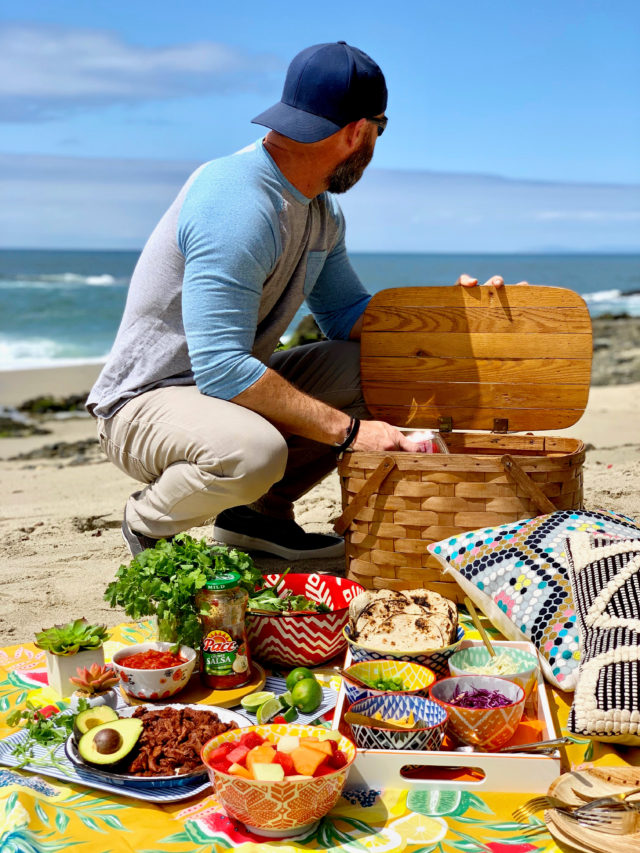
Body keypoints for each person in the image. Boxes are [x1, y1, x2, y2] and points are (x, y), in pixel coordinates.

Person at [87, 40, 517, 561]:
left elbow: (344, 316)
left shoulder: (319, 212)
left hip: (218, 397)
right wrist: (353, 433)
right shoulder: (239, 203)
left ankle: (258, 517)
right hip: (142, 405)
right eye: (381, 131)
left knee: (369, 369)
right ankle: (148, 522)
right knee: (252, 453)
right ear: (359, 130)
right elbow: (222, 368)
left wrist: (449, 316)